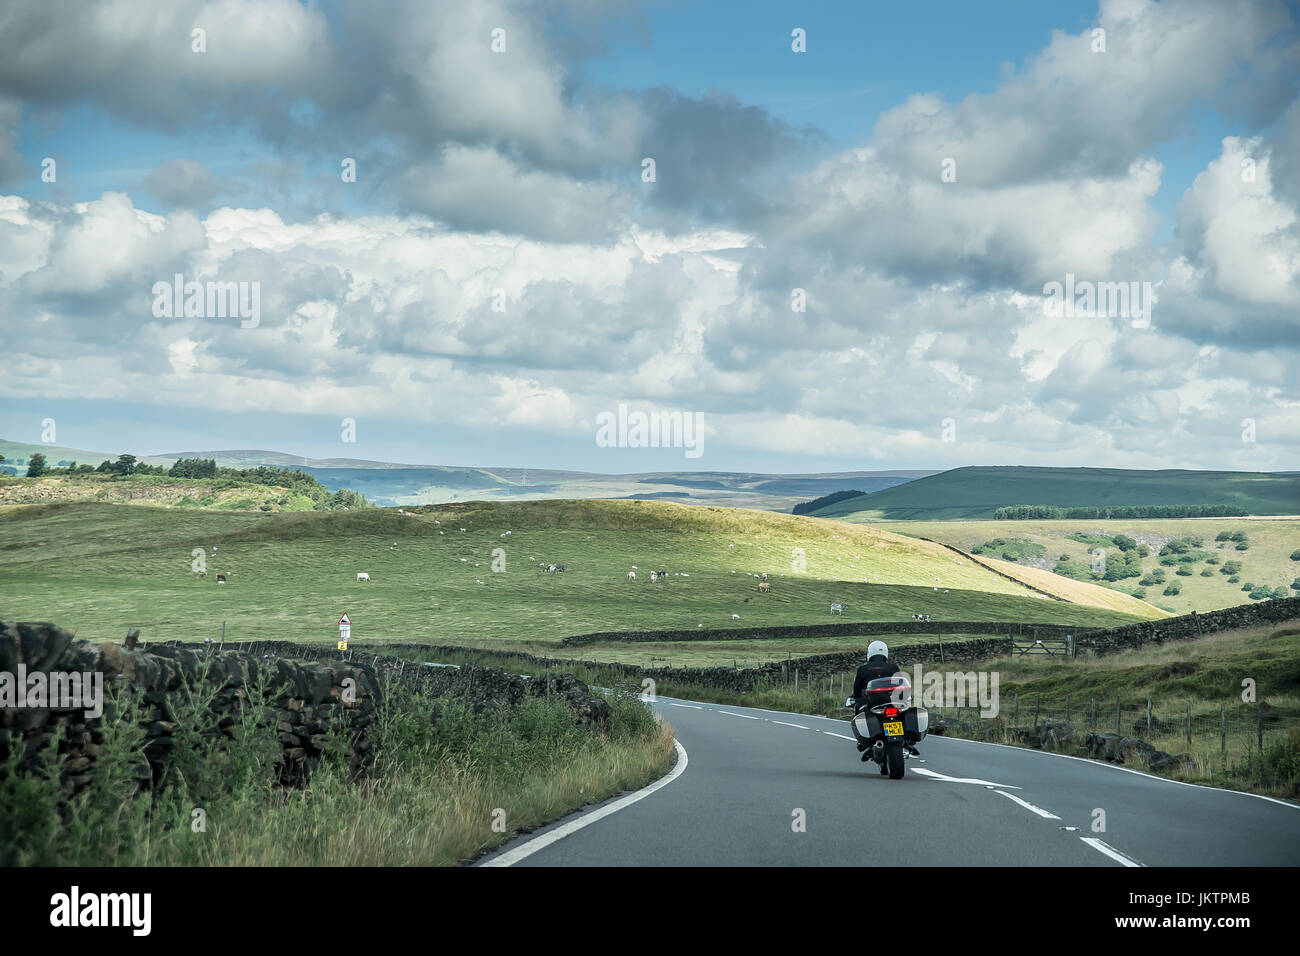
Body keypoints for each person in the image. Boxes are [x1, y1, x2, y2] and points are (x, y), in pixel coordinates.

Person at [849, 640, 903, 769]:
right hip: (892, 702)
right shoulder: (893, 667)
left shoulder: (863, 669)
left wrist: (857, 700)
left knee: (859, 711)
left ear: (869, 653)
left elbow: (856, 692)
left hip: (872, 704)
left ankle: (864, 742)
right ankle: (906, 740)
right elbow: (901, 686)